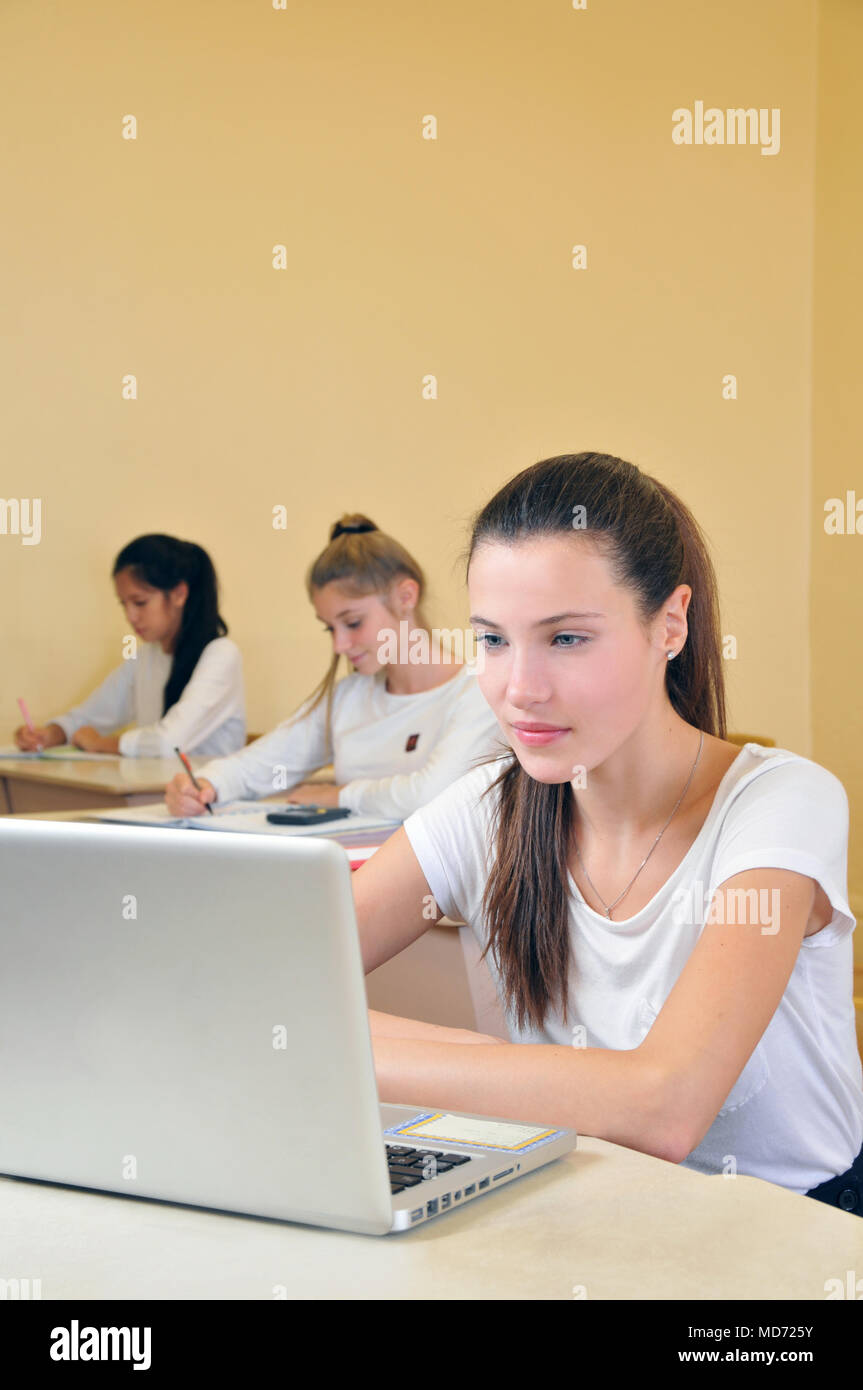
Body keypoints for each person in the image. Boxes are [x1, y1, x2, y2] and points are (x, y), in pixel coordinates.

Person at [354, 451, 863, 1212]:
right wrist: (499, 1065)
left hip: (792, 1231)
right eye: (492, 640)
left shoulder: (781, 802)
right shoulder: (490, 805)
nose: (519, 688)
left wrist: (337, 1049)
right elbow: (263, 982)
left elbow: (663, 1108)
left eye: (565, 639)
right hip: (584, 1211)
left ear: (670, 623)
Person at [165, 515, 502, 819]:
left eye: (353, 623)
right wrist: (205, 784)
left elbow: (432, 796)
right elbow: (261, 762)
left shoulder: (478, 690)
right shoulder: (347, 697)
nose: (339, 645)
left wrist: (340, 795)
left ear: (405, 596)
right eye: (330, 628)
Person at [14, 534, 245, 757]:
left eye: (140, 602)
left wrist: (99, 744)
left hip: (205, 795)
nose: (130, 616)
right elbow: (92, 715)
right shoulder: (146, 656)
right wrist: (49, 735)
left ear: (179, 594)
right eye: (124, 604)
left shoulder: (221, 655)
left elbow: (169, 743)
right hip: (159, 790)